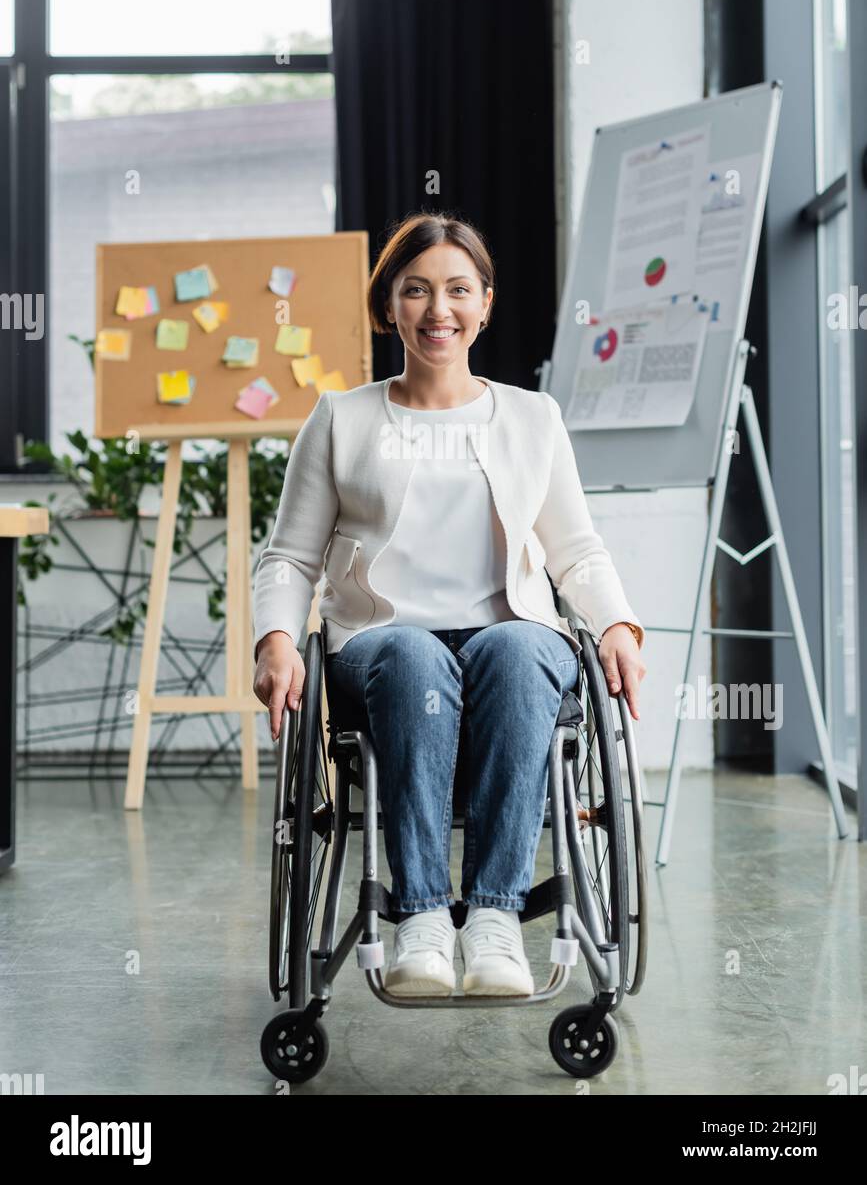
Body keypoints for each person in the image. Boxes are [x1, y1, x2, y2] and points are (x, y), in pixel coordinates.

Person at [253, 212, 646, 999]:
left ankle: (495, 921)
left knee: (514, 645)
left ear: (485, 304)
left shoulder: (532, 419)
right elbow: (289, 557)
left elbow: (575, 550)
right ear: (388, 306)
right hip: (382, 645)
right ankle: (425, 917)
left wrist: (617, 625)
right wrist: (274, 639)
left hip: (508, 640)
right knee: (410, 652)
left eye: (457, 290)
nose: (439, 310)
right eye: (417, 290)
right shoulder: (342, 419)